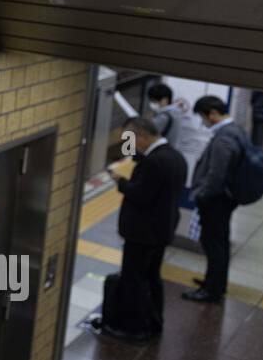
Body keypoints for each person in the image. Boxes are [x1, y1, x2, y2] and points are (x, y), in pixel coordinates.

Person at [103, 117, 187, 340]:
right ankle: (154, 321)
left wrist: (120, 181)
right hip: (162, 230)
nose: (130, 144)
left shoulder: (154, 162)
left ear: (141, 135)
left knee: (134, 280)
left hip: (143, 233)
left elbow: (140, 194)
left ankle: (133, 328)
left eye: (130, 139)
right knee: (152, 277)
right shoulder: (175, 156)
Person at [182, 96, 247, 302]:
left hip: (216, 200)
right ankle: (215, 283)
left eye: (203, 117)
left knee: (213, 244)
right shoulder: (236, 130)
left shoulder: (224, 137)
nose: (203, 122)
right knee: (220, 243)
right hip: (226, 197)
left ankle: (212, 290)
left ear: (212, 114)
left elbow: (216, 174)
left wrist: (202, 194)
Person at [146, 83, 182, 149]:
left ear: (165, 100)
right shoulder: (176, 112)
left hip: (162, 150)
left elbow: (147, 133)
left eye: (154, 101)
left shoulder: (163, 117)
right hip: (172, 150)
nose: (152, 104)